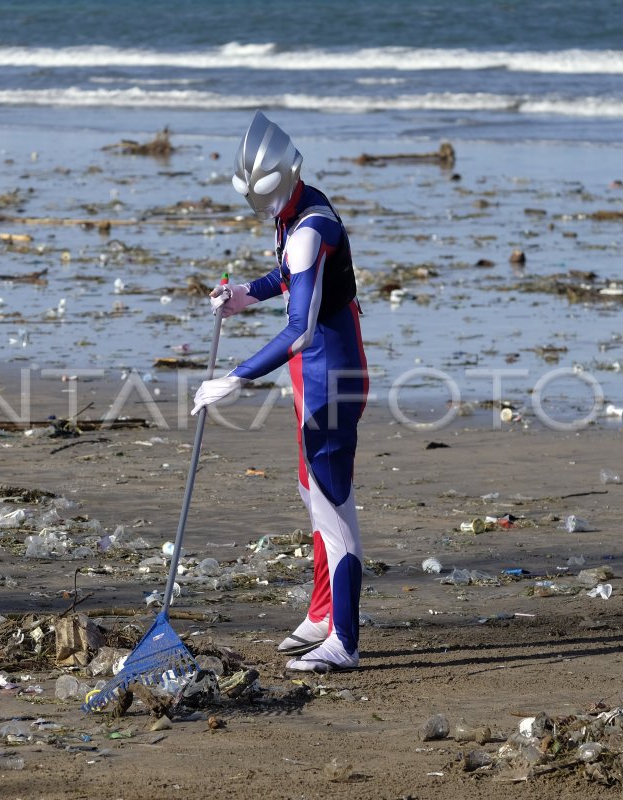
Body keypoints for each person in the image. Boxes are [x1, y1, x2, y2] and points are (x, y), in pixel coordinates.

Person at [191, 111, 368, 673]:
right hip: (310, 378)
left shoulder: (311, 226)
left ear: (288, 175)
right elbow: (290, 278)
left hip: (330, 378)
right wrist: (245, 294)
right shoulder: (293, 211)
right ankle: (322, 613)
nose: (262, 210)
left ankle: (345, 641)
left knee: (334, 510)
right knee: (309, 493)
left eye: (265, 198)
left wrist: (236, 377)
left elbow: (303, 328)